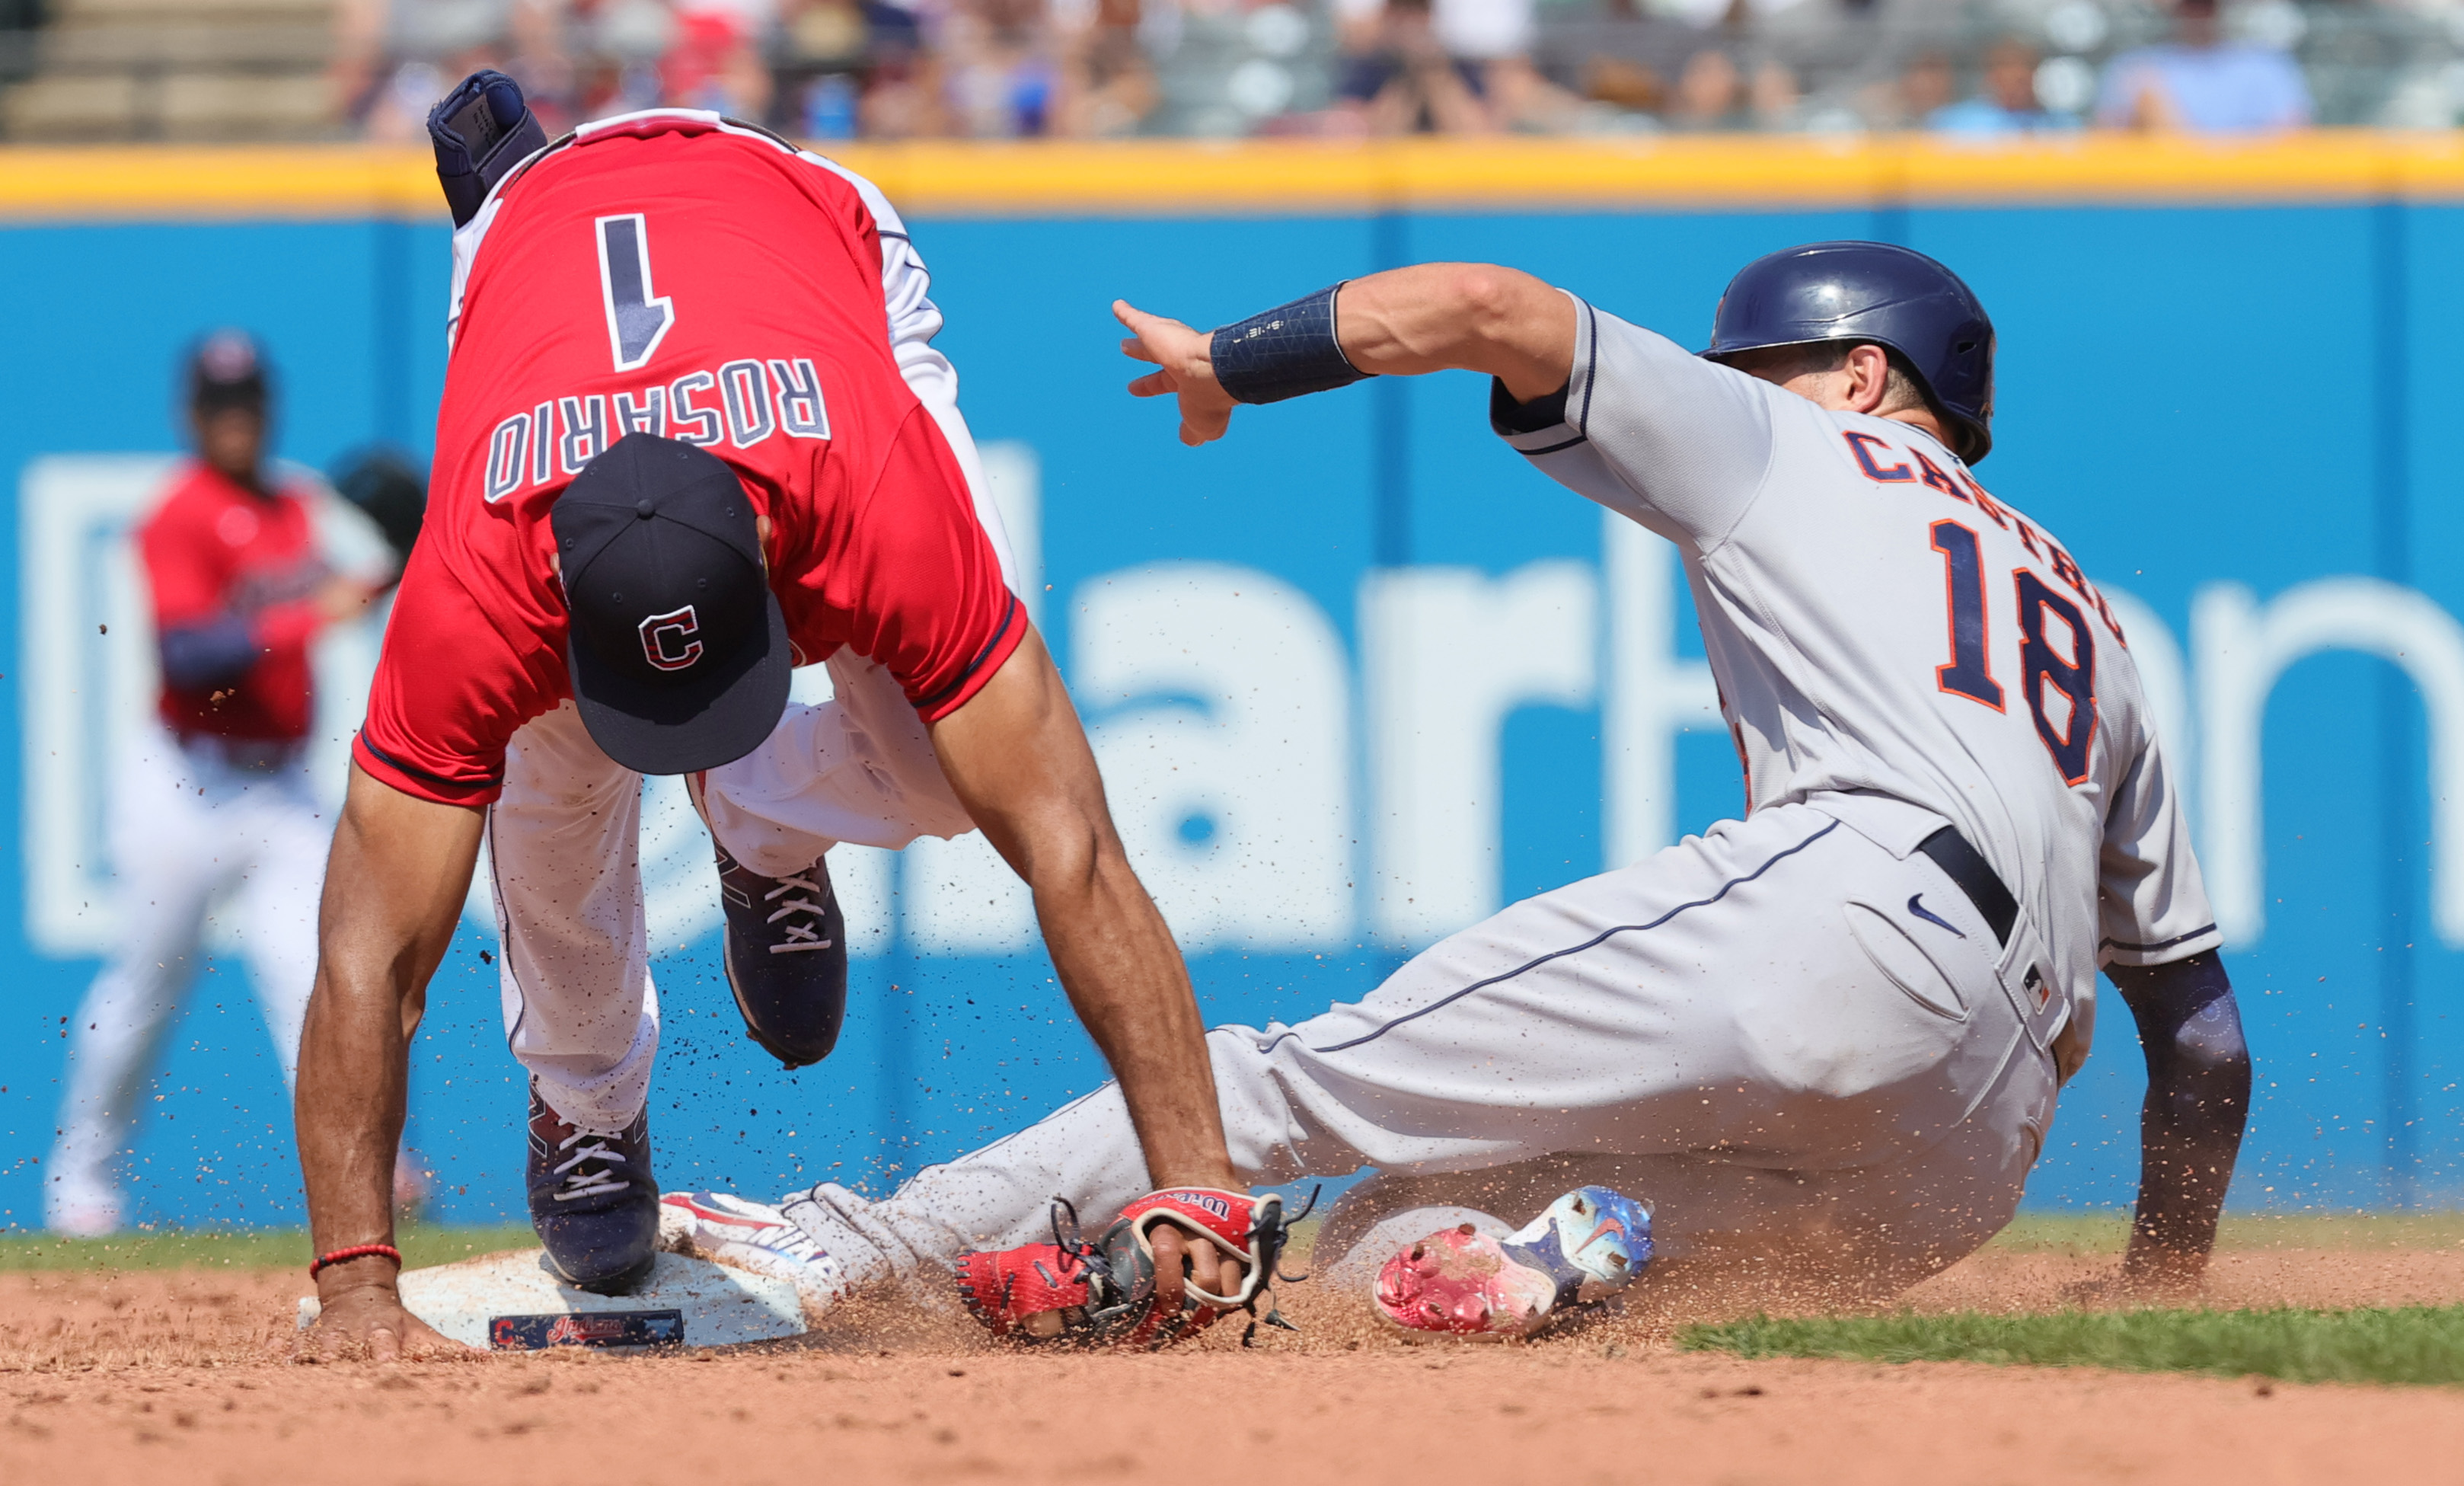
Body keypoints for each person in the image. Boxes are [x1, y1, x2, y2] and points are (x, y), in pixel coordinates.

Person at [710, 241, 2252, 1340]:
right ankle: (1566, 1252)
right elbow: (2200, 1040)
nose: (1734, 386)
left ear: (1862, 373)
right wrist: (2161, 1291)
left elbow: (1486, 307)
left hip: (1848, 918)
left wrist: (1227, 364)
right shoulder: (2099, 632)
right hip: (1968, 1160)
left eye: (1762, 363)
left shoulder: (1805, 445)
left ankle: (855, 1248)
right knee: (1395, 1251)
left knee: (1265, 1087)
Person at [294, 70, 1253, 1359]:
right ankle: (585, 1101)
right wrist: (356, 1281)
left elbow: (1069, 843)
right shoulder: (479, 581)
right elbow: (373, 958)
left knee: (950, 773)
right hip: (531, 247)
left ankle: (758, 817)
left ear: (767, 550)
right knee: (551, 763)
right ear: (560, 598)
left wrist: (1196, 1182)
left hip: (810, 236)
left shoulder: (874, 493)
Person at [46, 334, 395, 1237]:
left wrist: (400, 553)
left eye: (248, 403)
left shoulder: (297, 506)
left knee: (315, 978)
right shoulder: (181, 514)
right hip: (185, 780)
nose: (237, 420)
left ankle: (360, 1183)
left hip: (281, 787)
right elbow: (187, 651)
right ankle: (82, 1181)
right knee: (148, 981)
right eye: (220, 405)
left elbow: (359, 583)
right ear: (192, 415)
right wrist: (308, 614)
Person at [2095, 0, 2309, 135]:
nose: (2198, 13)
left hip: (2250, 196)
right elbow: (2106, 146)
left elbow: (2293, 139)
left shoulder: (2268, 67)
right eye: (2191, 5)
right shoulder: (2135, 68)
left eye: (2206, 5)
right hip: (2162, 198)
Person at [1929, 38, 2070, 137]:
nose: (2015, 74)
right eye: (2004, 65)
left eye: (2026, 65)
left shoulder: (2062, 123)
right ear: (1988, 76)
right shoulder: (1955, 123)